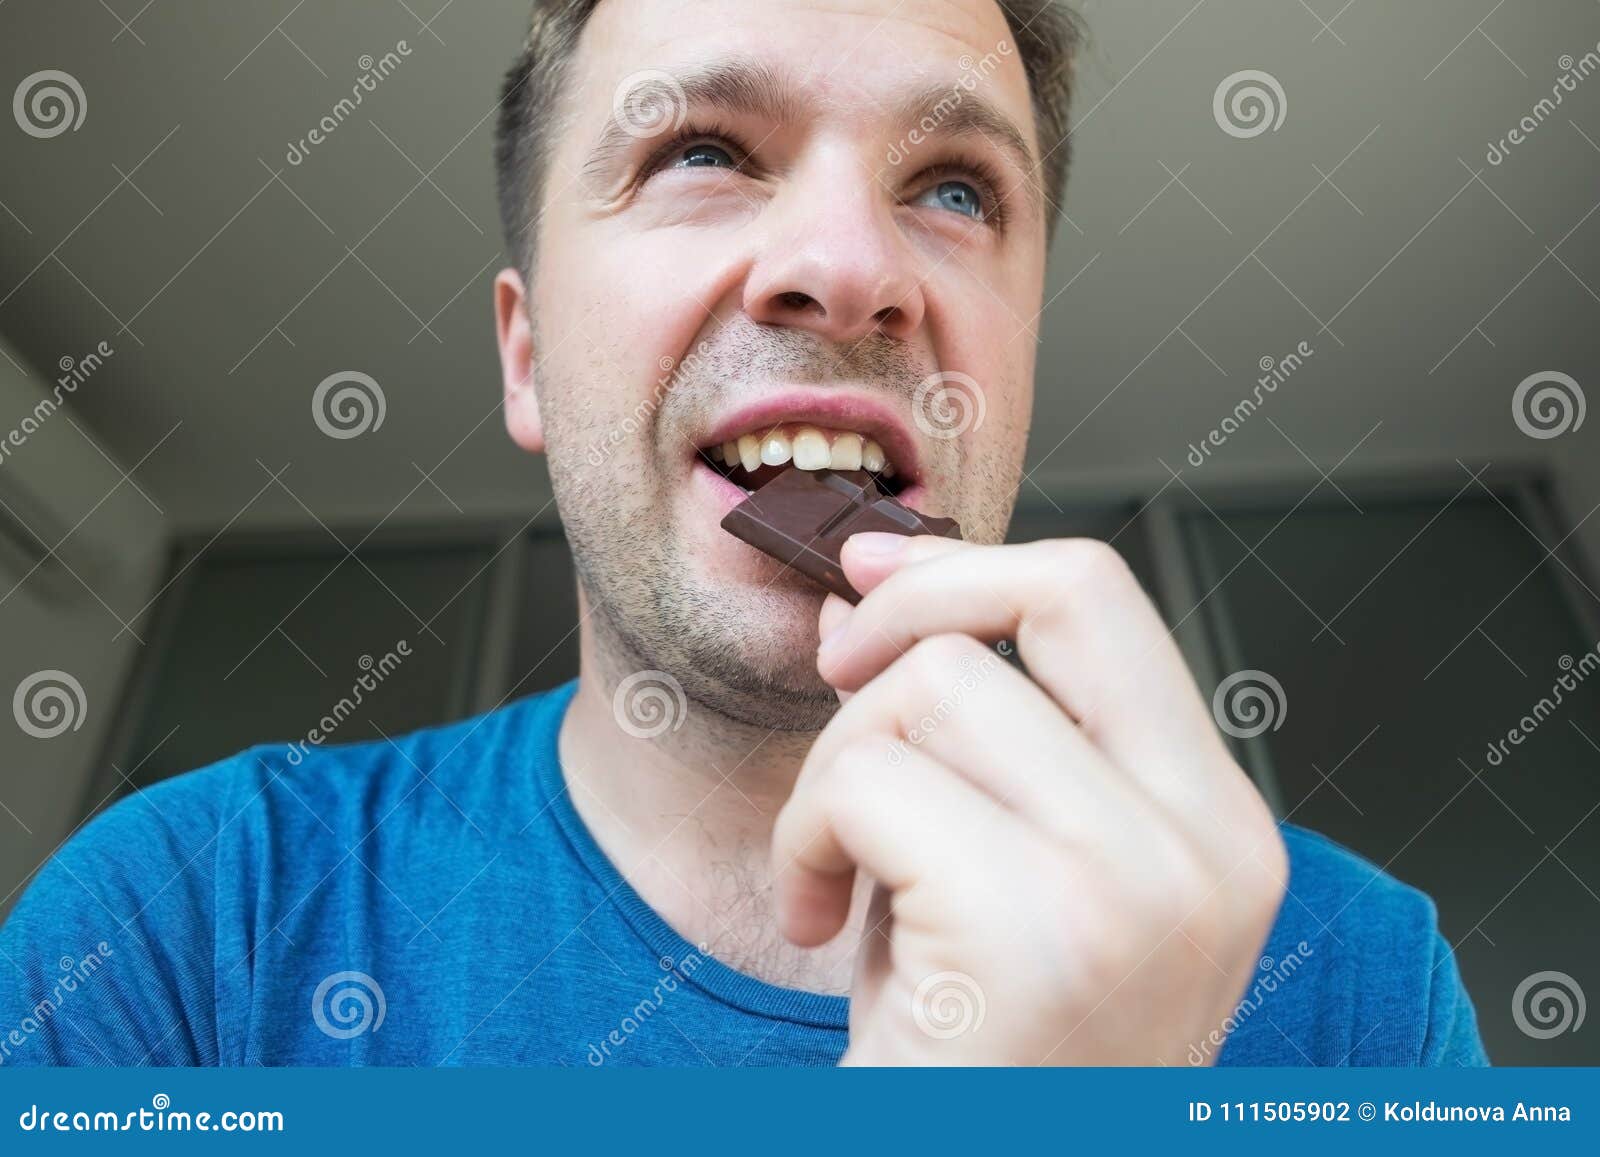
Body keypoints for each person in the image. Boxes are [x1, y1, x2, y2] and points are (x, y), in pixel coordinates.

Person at [0, 0, 1485, 1067]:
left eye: (956, 187)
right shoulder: (185, 929)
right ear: (526, 357)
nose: (850, 267)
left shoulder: (1362, 991)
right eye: (703, 150)